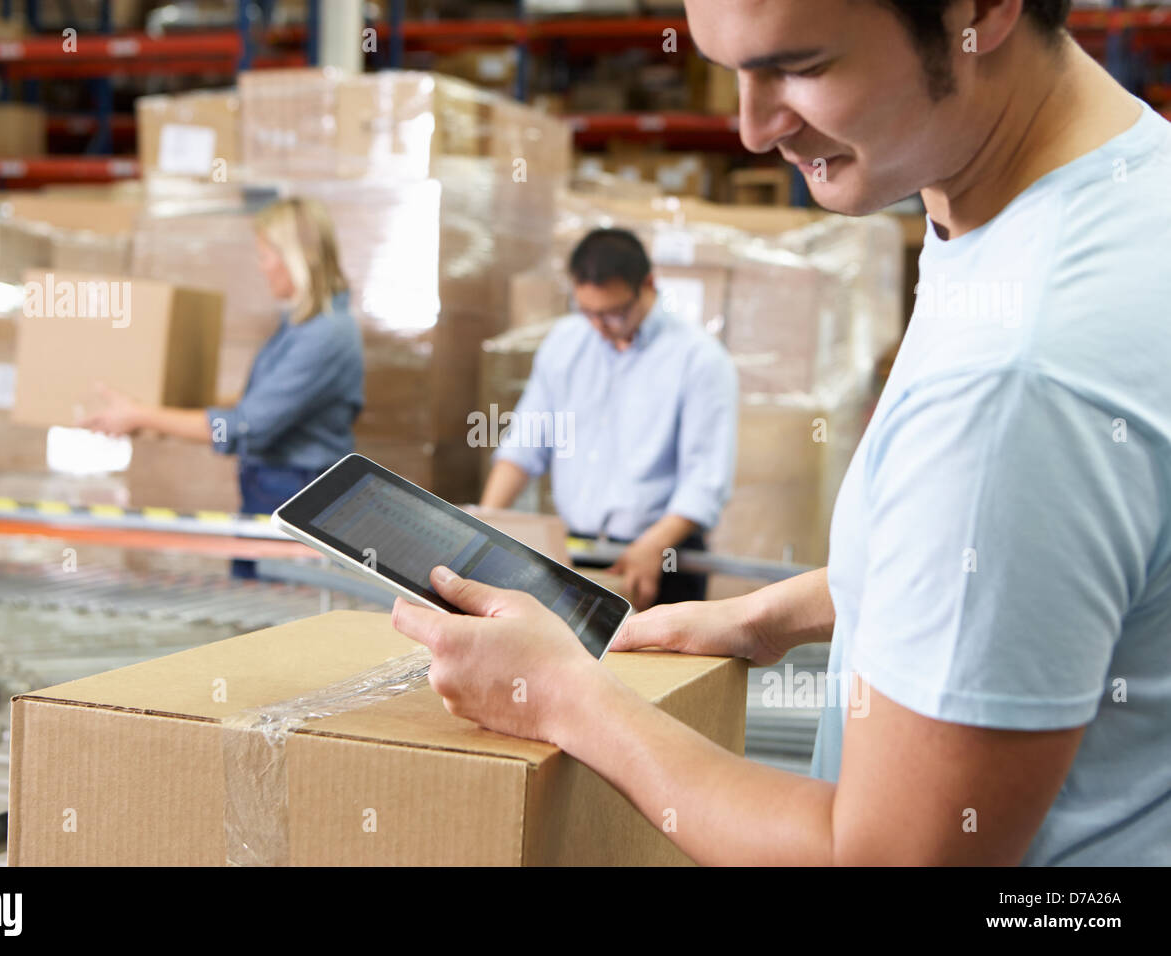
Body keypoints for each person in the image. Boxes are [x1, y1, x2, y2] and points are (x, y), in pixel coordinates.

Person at [391, 0, 1171, 864]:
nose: (754, 129)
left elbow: (880, 858)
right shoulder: (1096, 192)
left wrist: (565, 699)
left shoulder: (1014, 374)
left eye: (800, 68)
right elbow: (1035, 570)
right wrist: (771, 615)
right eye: (732, 71)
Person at [81, 197, 364, 579]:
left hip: (296, 489)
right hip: (276, 485)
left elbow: (244, 426)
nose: (262, 268)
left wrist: (142, 416)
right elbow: (256, 401)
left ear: (298, 257)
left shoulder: (325, 334)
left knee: (278, 615)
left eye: (265, 256)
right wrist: (173, 406)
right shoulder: (302, 325)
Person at [478, 227, 737, 610]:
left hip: (661, 558)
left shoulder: (698, 359)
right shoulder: (566, 342)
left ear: (648, 285)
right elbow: (525, 444)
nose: (600, 326)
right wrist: (486, 526)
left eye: (614, 313)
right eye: (588, 312)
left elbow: (704, 480)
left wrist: (653, 546)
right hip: (574, 553)